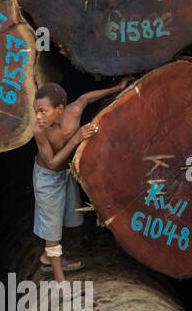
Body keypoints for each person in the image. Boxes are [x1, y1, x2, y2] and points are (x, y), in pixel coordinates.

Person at [32, 80, 130, 282]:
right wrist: (76, 138)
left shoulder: (73, 112)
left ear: (60, 109)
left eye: (43, 111)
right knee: (52, 228)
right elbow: (51, 163)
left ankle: (47, 258)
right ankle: (60, 281)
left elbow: (86, 98)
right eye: (36, 111)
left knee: (69, 218)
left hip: (66, 175)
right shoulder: (40, 130)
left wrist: (116, 89)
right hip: (47, 179)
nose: (38, 117)